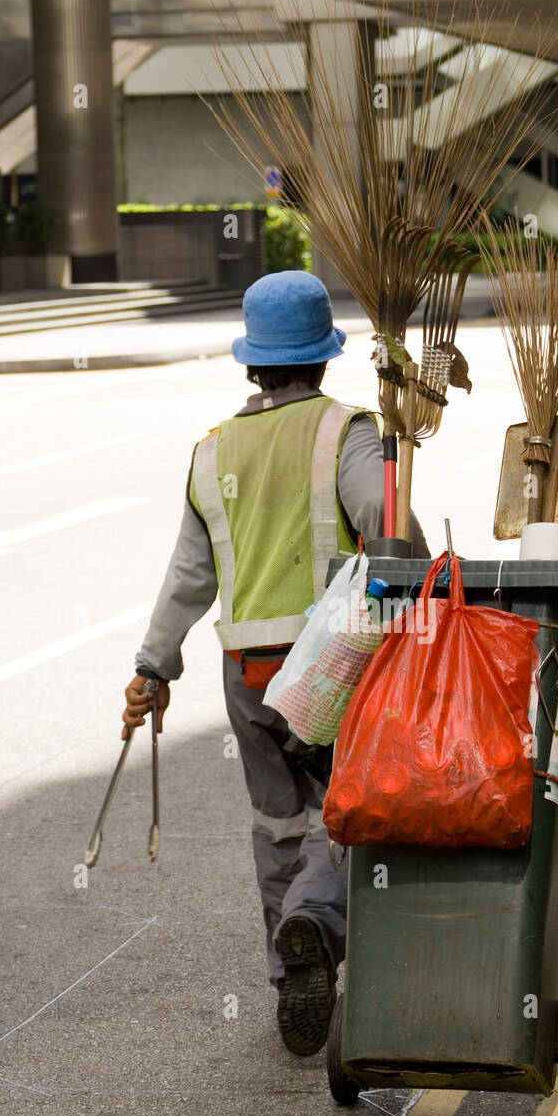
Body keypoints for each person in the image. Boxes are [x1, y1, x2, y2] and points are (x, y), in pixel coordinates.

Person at [121, 270, 428, 1056]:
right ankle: (317, 930)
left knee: (277, 822)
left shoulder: (212, 450)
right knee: (350, 816)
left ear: (251, 362)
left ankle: (287, 972)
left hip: (245, 671)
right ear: (324, 357)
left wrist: (154, 666)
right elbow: (390, 536)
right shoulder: (348, 433)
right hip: (332, 666)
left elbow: (188, 575)